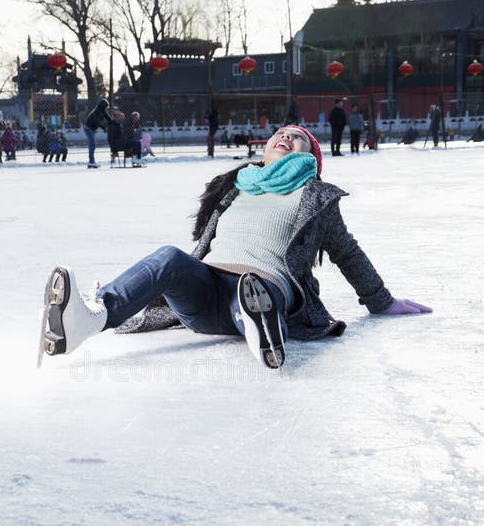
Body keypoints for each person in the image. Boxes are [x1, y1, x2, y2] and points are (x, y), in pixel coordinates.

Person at [38, 125, 432, 371]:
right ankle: (91, 318)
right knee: (168, 258)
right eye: (280, 132)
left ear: (310, 156)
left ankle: (258, 324)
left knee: (252, 290)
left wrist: (381, 301)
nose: (285, 135)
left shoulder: (316, 197)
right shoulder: (237, 186)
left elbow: (347, 253)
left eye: (297, 136)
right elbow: (202, 244)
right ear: (264, 150)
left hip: (267, 283)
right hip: (204, 290)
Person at [83, 98, 111, 168]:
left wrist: (114, 122)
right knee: (92, 144)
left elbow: (108, 118)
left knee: (92, 145)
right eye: (106, 107)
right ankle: (91, 162)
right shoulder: (96, 112)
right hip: (88, 128)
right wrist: (104, 128)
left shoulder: (103, 111)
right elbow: (97, 122)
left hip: (92, 129)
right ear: (102, 106)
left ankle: (91, 162)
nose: (107, 108)